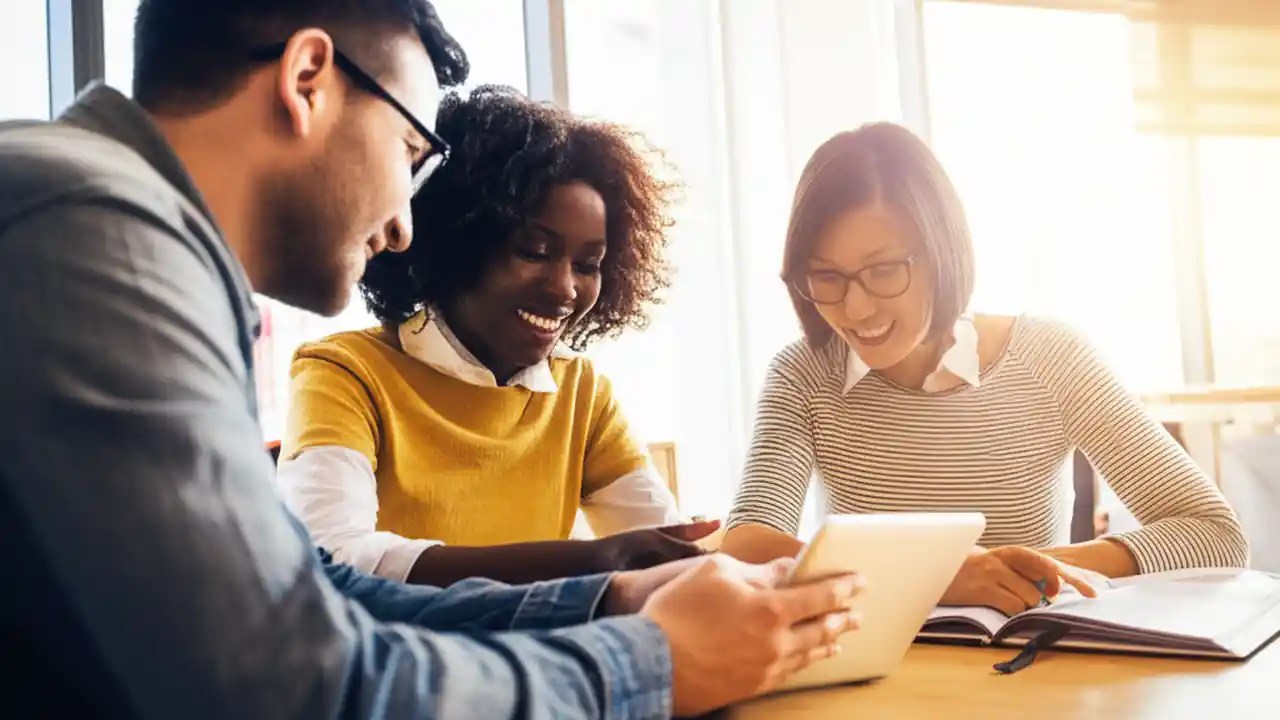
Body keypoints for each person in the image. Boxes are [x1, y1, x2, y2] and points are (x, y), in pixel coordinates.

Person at [0, 1, 862, 717]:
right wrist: (651, 665)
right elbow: (289, 682)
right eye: (410, 154)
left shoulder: (106, 227)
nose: (405, 224)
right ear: (307, 80)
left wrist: (611, 599)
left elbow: (316, 594)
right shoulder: (91, 236)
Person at [720, 123, 1249, 616]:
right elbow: (745, 546)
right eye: (827, 277)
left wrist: (1010, 572)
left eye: (882, 270)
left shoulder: (1050, 357)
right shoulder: (804, 375)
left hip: (1035, 664)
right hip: (874, 668)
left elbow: (1212, 533)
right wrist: (938, 574)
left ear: (943, 250)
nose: (855, 309)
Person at [279, 85, 711, 587]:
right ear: (457, 244)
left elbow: (662, 549)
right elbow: (332, 560)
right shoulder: (345, 372)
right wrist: (585, 561)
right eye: (534, 252)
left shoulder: (581, 394)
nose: (565, 288)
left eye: (588, 264)